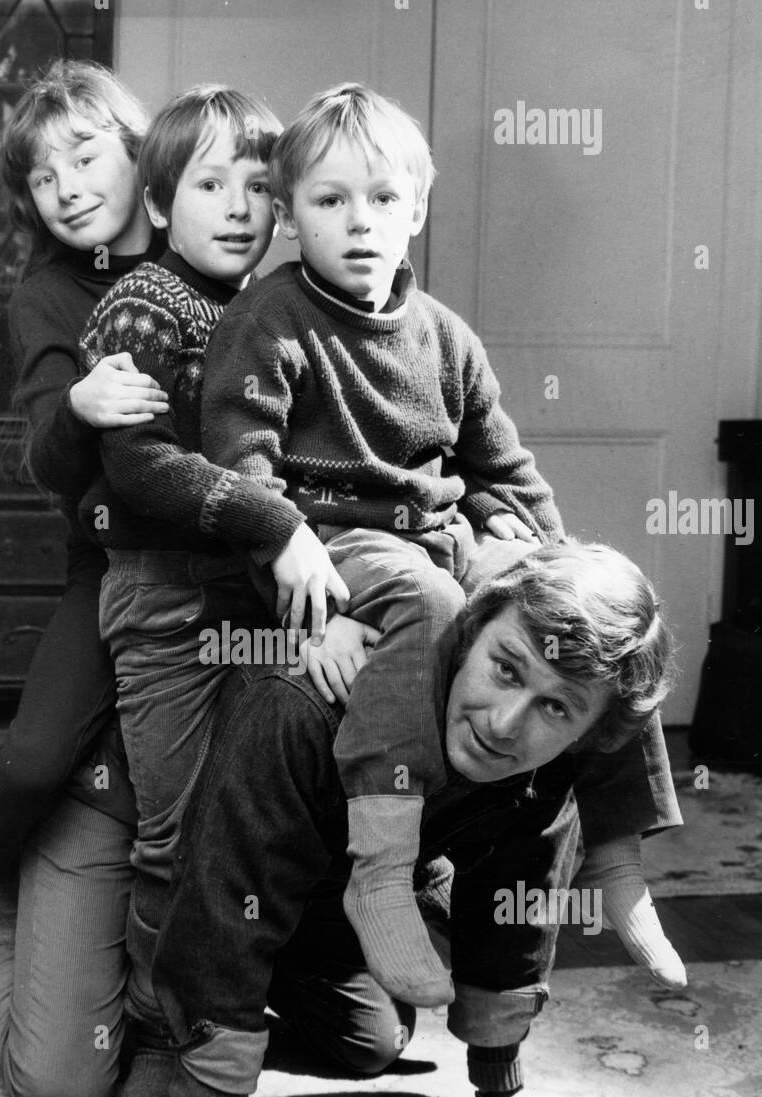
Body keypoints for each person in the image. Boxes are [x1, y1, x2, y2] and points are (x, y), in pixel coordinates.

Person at [197, 82, 685, 1006]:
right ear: (291, 216)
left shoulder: (445, 338)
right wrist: (288, 545)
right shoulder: (266, 323)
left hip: (442, 539)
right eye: (329, 200)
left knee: (607, 615)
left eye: (382, 199)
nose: (359, 221)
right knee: (425, 603)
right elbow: (235, 469)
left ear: (416, 208)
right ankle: (382, 865)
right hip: (331, 548)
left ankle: (617, 862)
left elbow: (502, 462)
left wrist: (549, 549)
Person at [150, 541, 685, 1097]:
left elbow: (513, 913)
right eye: (504, 668)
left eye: (554, 707)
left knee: (371, 1046)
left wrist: (501, 1086)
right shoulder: (306, 705)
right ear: (471, 627)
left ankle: (228, 1015)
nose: (503, 724)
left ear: (590, 734)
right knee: (110, 1072)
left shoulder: (547, 766)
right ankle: (70, 964)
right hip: (203, 878)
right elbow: (220, 908)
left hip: (328, 907)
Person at [73, 85, 350, 1097]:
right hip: (169, 594)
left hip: (267, 596)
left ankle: (248, 998)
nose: (238, 207)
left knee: (267, 812)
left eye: (257, 187)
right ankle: (160, 1028)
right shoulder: (144, 303)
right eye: (208, 184)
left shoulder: (285, 304)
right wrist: (269, 517)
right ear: (158, 198)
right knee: (176, 831)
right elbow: (137, 464)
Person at [0, 59, 168, 999]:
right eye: (43, 176)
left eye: (85, 156)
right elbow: (46, 455)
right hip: (112, 558)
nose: (68, 188)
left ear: (138, 152)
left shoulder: (201, 245)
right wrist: (78, 403)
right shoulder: (43, 297)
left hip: (231, 560)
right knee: (38, 757)